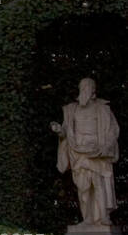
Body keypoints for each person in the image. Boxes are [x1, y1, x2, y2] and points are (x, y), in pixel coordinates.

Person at [51, 77, 120, 226]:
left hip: (97, 152)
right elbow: (67, 130)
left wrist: (106, 147)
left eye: (87, 87)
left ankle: (103, 217)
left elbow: (113, 131)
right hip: (78, 152)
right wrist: (59, 130)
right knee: (83, 187)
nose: (84, 90)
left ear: (93, 90)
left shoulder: (103, 109)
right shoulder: (71, 109)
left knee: (99, 184)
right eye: (82, 87)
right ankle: (87, 218)